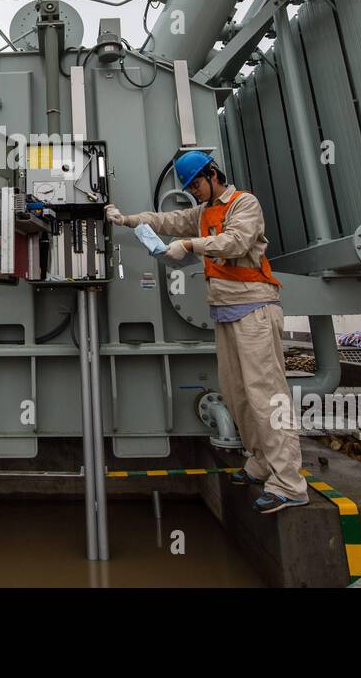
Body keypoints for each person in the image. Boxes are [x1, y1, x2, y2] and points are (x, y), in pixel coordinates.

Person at [104, 151, 308, 513]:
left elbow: (236, 242)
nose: (194, 191)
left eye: (197, 184)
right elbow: (166, 220)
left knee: (266, 394)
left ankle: (290, 482)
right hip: (227, 314)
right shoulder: (201, 213)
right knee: (238, 393)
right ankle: (261, 460)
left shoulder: (244, 203)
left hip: (256, 310)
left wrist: (191, 245)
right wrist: (127, 219)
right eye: (190, 187)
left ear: (213, 175)